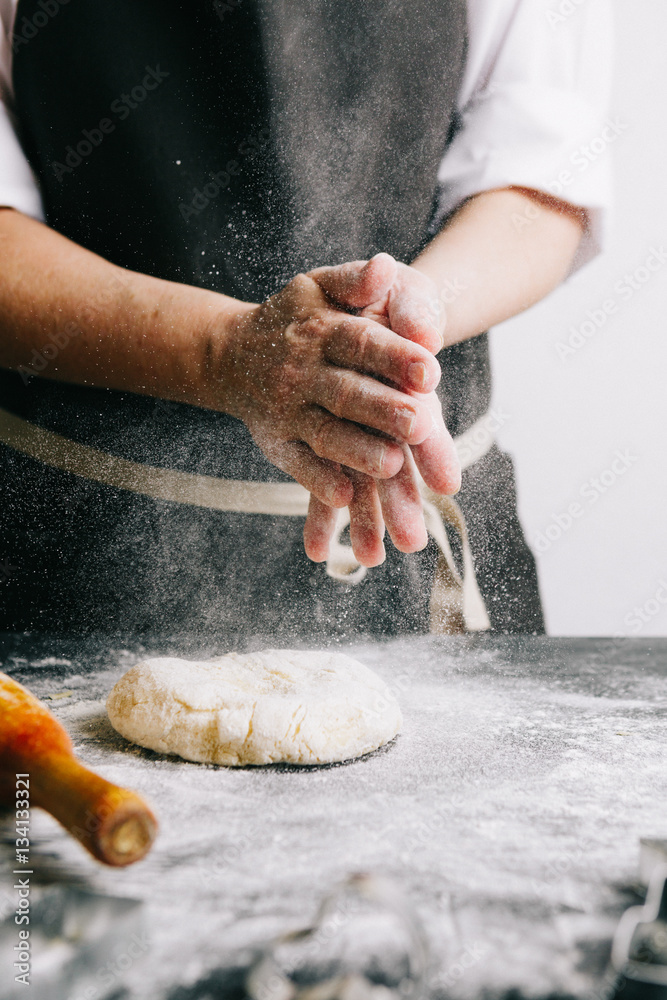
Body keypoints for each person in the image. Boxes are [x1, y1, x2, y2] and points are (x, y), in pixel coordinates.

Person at [0, 0, 612, 638]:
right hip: (80, 566)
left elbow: (540, 183)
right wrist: (223, 352)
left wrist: (394, 331)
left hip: (422, 554)